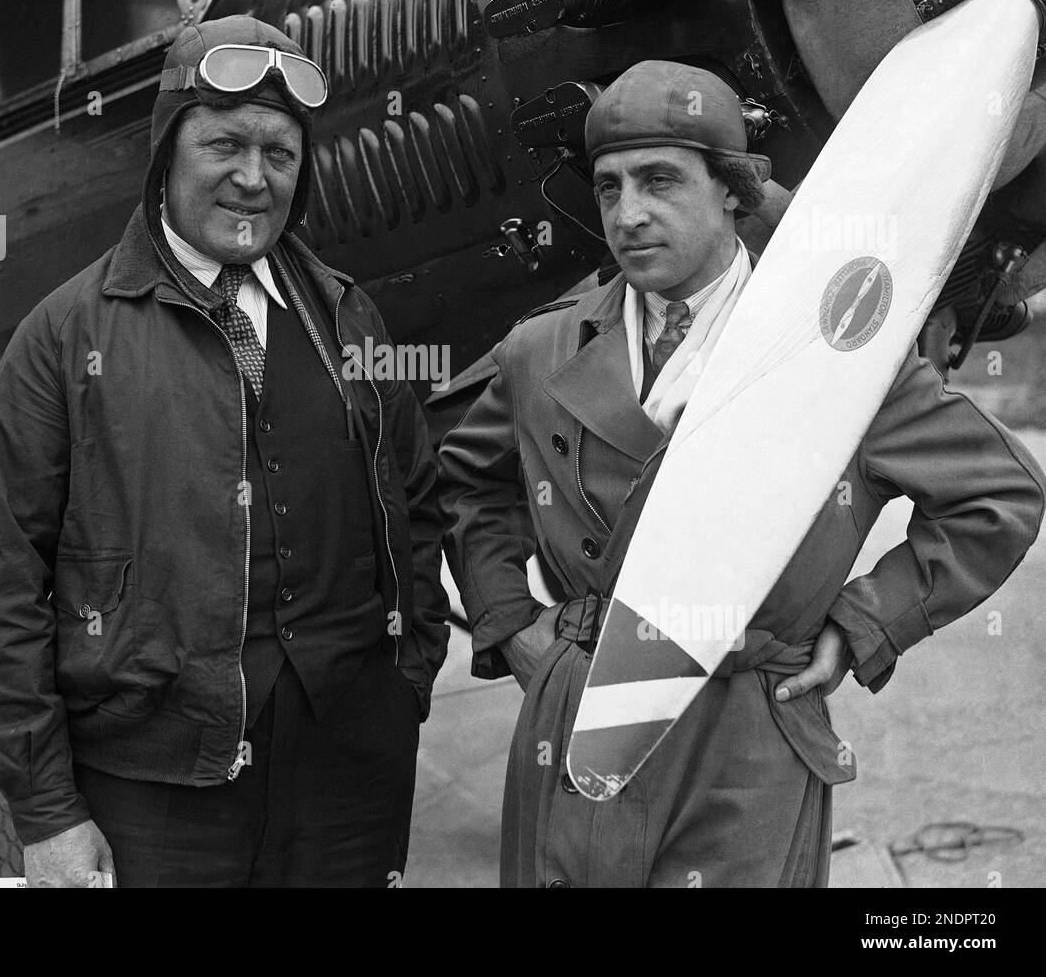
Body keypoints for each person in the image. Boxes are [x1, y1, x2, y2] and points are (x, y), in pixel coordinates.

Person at [437, 60, 1045, 887]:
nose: (629, 214)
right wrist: (511, 623)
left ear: (731, 188)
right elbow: (469, 481)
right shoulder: (541, 349)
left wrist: (867, 620)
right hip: (576, 711)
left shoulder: (837, 351)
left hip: (747, 727)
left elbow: (997, 492)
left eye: (659, 180)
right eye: (609, 187)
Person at [0, 15, 449, 887]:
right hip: (154, 783)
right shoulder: (65, 336)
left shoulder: (346, 315)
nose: (253, 179)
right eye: (225, 144)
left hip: (349, 770)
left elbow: (416, 498)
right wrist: (46, 811)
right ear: (166, 154)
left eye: (281, 154)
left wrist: (408, 682)